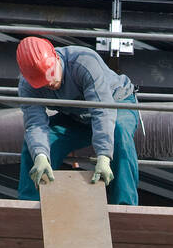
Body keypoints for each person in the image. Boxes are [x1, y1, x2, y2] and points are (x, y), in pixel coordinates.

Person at [16, 36, 139, 203]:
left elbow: (102, 110)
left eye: (50, 73)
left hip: (117, 103)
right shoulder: (27, 86)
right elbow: (35, 124)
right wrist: (40, 155)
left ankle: (125, 207)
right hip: (76, 117)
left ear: (55, 57)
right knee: (36, 144)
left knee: (120, 132)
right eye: (42, 82)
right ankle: (30, 206)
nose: (49, 82)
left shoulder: (84, 62)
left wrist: (104, 155)